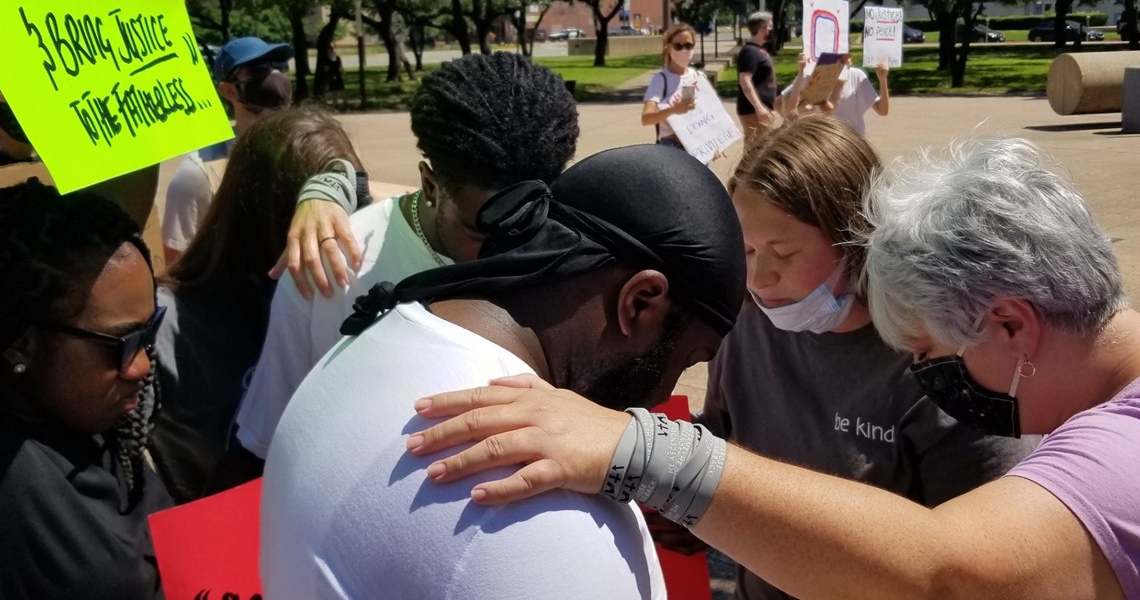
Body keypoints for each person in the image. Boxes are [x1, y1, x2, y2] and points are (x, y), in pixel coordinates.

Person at [409, 136, 1140, 600]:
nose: (928, 374)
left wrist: (640, 450)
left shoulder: (1116, 455)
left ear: (1012, 323)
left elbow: (946, 571)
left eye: (931, 357)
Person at [260, 145, 747, 600]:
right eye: (686, 360)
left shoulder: (359, 345)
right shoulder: (539, 508)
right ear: (639, 301)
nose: (662, 397)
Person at [655, 115, 1034, 600]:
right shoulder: (746, 326)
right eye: (745, 249)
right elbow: (728, 441)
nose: (759, 276)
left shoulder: (940, 358)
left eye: (782, 252)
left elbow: (984, 562)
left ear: (856, 241)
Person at [231, 52, 579, 471]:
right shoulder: (332, 266)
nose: (512, 247)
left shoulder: (567, 250)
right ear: (431, 185)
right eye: (484, 229)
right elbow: (272, 439)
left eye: (531, 217)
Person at [153, 107, 368, 501]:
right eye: (321, 229)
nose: (342, 245)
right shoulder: (167, 323)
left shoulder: (353, 301)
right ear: (274, 218)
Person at [0, 179, 172, 599]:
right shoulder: (18, 492)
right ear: (22, 341)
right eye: (122, 342)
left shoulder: (86, 415)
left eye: (150, 332)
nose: (143, 364)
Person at [162, 36, 294, 267]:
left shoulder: (307, 149)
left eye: (280, 68)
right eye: (258, 70)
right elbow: (177, 265)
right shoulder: (199, 175)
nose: (275, 77)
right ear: (228, 90)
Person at [781, 54, 890, 135]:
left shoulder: (856, 76)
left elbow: (882, 110)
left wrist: (882, 79)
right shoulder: (810, 75)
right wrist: (801, 71)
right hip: (821, 143)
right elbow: (791, 110)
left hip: (852, 143)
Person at [641, 23, 701, 148]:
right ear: (668, 48)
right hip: (672, 146)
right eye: (678, 46)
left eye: (688, 45)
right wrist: (673, 110)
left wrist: (715, 143)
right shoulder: (661, 80)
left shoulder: (698, 77)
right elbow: (646, 118)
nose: (684, 50)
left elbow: (708, 114)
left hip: (698, 145)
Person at [736, 12, 778, 141]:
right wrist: (759, 108)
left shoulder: (758, 50)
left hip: (762, 110)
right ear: (762, 28)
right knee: (755, 151)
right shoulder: (750, 51)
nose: (772, 30)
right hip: (753, 112)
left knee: (759, 149)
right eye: (770, 27)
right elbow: (745, 80)